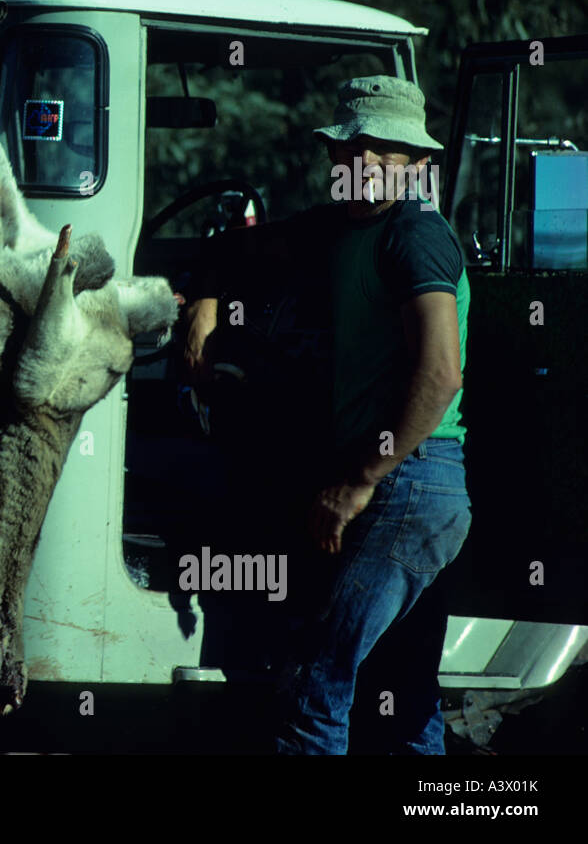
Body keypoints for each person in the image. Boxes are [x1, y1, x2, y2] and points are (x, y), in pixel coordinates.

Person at [181, 75, 472, 754]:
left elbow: (440, 374)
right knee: (403, 701)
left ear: (419, 166)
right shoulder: (340, 230)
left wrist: (361, 480)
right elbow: (243, 247)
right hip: (399, 479)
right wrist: (207, 297)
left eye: (385, 154)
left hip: (409, 481)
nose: (363, 166)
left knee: (315, 685)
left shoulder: (415, 238)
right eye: (351, 151)